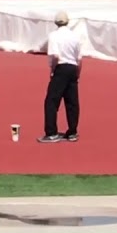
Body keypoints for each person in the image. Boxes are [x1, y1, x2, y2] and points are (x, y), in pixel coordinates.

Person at [41, 11, 82, 143]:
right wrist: (77, 74)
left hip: (61, 67)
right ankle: (72, 132)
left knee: (51, 101)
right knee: (72, 102)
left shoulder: (54, 36)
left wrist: (52, 70)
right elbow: (79, 59)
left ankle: (51, 132)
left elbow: (55, 56)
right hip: (72, 68)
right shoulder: (75, 36)